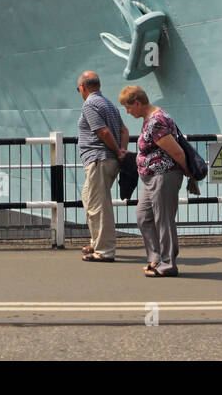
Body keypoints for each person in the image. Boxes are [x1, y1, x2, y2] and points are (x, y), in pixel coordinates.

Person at [119, 85, 186, 277]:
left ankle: (167, 264)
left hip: (163, 176)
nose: (127, 111)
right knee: (143, 215)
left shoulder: (156, 121)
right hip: (152, 178)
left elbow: (176, 152)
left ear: (138, 103)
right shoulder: (151, 119)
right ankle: (156, 257)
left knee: (163, 220)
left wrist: (190, 175)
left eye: (128, 107)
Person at [76, 71, 128, 262]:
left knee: (99, 205)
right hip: (107, 160)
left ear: (83, 87)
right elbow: (124, 130)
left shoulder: (89, 104)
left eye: (78, 89)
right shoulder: (109, 104)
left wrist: (117, 150)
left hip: (98, 159)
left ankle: (105, 251)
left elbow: (102, 131)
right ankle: (97, 240)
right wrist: (121, 150)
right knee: (88, 199)